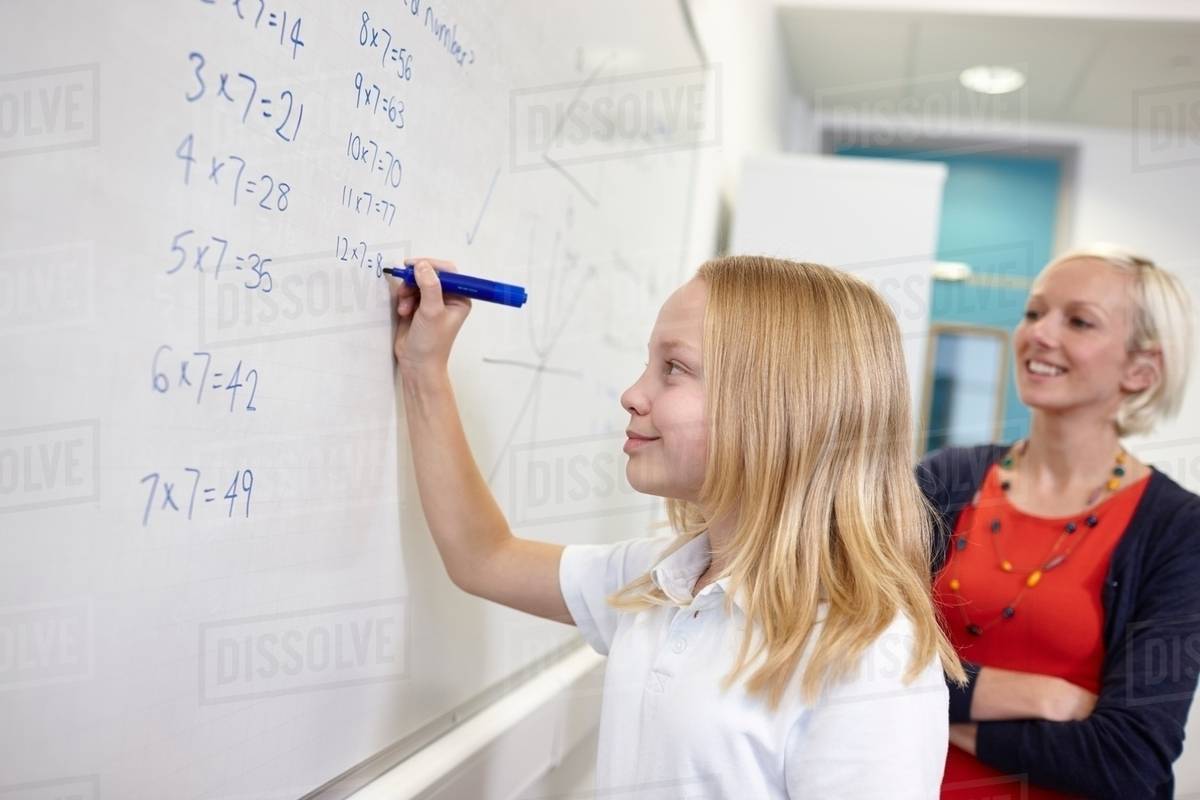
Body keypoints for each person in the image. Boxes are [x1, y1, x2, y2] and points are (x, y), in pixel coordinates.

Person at [392, 254, 962, 798]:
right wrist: (424, 370)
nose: (633, 394)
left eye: (674, 369)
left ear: (775, 407)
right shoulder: (663, 582)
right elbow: (483, 556)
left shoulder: (868, 657)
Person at [918, 244, 1200, 799]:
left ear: (1142, 369)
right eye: (1033, 313)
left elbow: (1130, 762)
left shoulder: (1177, 529)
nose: (1039, 334)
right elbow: (851, 657)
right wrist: (1036, 696)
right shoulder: (944, 480)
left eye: (1078, 321)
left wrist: (935, 708)